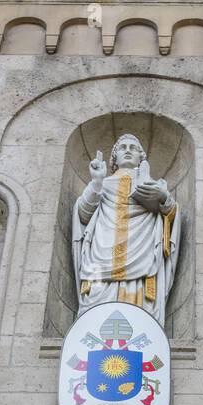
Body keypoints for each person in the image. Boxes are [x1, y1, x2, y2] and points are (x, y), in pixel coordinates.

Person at [72, 133, 180, 327]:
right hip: (101, 262)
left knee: (138, 315)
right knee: (96, 316)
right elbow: (83, 215)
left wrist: (163, 197)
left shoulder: (157, 185)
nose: (128, 150)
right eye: (123, 148)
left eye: (133, 148)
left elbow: (171, 216)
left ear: (141, 156)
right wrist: (96, 182)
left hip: (141, 260)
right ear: (114, 158)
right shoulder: (101, 184)